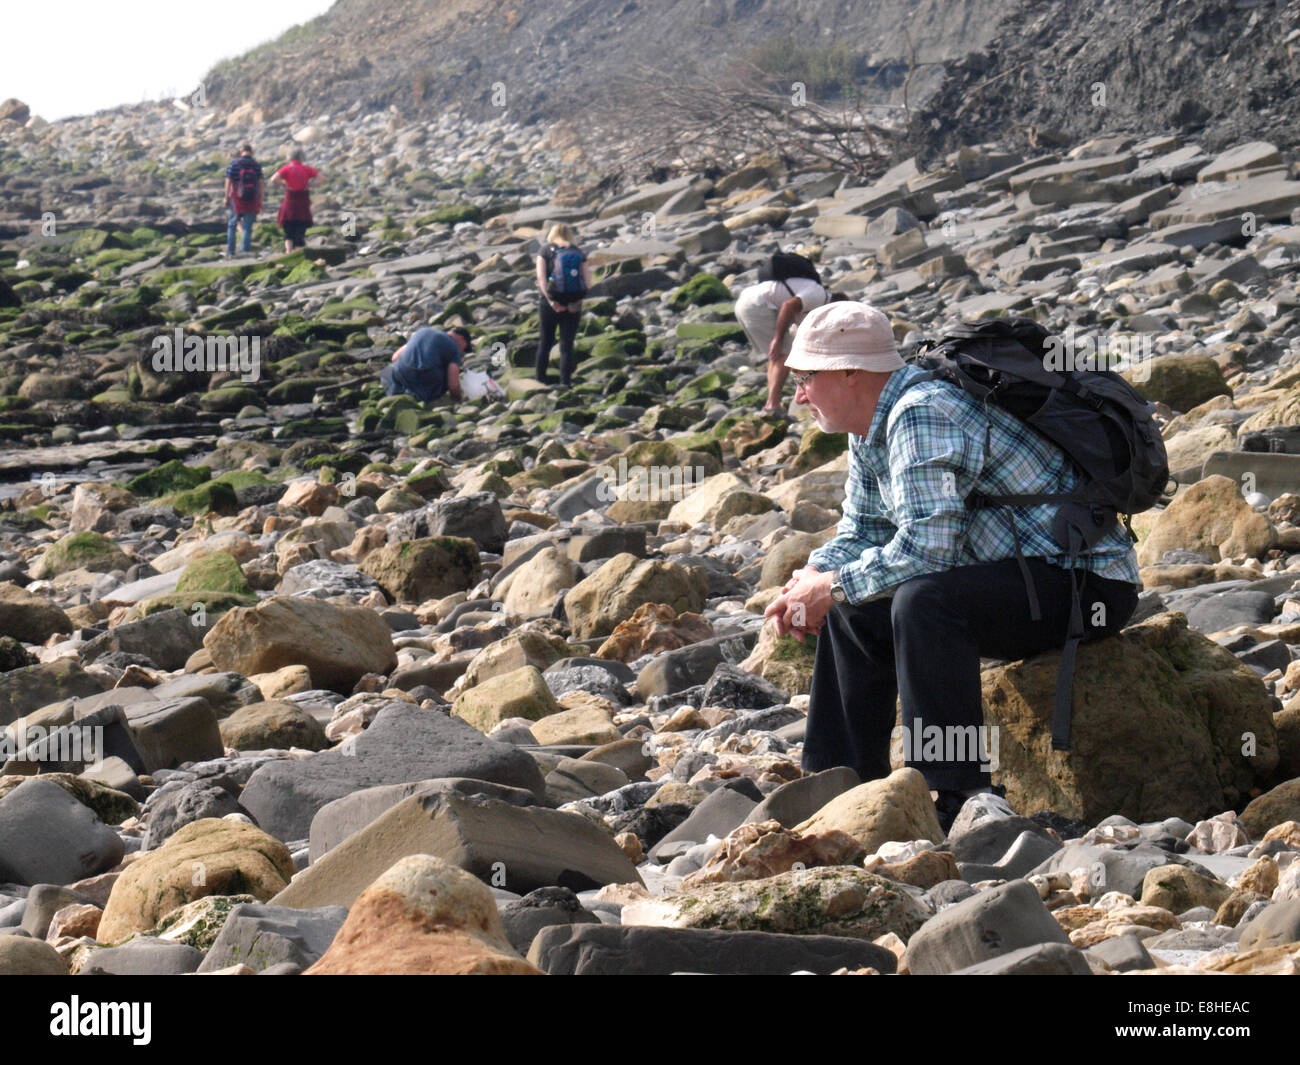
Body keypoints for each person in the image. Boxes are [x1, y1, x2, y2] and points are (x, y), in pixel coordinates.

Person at [764, 301, 1141, 832]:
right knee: (854, 610)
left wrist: (836, 584)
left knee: (924, 602)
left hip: (1086, 582)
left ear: (852, 373)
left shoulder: (923, 410)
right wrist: (810, 580)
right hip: (1014, 578)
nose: (797, 393)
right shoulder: (869, 423)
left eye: (806, 378)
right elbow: (863, 529)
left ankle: (959, 789)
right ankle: (841, 783)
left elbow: (930, 549)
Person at [734, 270, 837, 413]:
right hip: (756, 304)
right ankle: (772, 404)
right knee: (785, 354)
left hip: (746, 302)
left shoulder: (815, 300)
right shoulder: (818, 294)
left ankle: (771, 403)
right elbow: (788, 306)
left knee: (777, 356)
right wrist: (777, 338)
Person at [534, 223, 592, 387]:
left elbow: (540, 277)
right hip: (574, 302)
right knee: (567, 344)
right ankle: (565, 382)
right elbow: (587, 281)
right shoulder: (577, 252)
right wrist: (576, 301)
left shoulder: (545, 250)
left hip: (550, 303)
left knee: (546, 342)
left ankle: (540, 380)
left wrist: (552, 301)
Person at [381, 326, 471, 405]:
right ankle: (415, 396)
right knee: (446, 374)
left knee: (393, 371)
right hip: (423, 380)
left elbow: (395, 357)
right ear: (461, 338)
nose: (462, 352)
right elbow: (453, 385)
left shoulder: (423, 331)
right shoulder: (454, 347)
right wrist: (459, 399)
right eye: (465, 348)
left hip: (399, 373)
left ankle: (399, 392)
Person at [270, 148, 320, 255]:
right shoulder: (307, 169)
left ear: (290, 157)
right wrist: (311, 185)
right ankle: (298, 251)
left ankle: (288, 252)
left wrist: (284, 184)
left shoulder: (287, 168)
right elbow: (323, 179)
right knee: (300, 228)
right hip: (303, 203)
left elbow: (273, 179)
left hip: (290, 202)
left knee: (288, 229)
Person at [224, 144, 263, 257]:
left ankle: (230, 251)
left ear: (241, 151)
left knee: (232, 224)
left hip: (236, 198)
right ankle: (245, 250)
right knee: (247, 225)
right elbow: (260, 184)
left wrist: (226, 197)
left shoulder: (234, 163)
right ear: (251, 152)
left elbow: (228, 182)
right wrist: (260, 200)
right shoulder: (256, 165)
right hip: (252, 198)